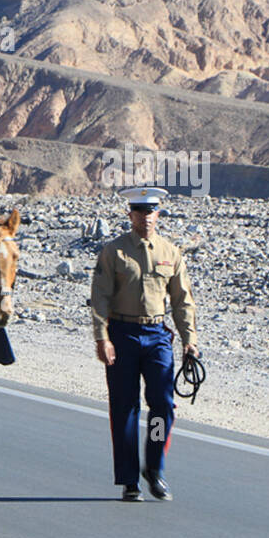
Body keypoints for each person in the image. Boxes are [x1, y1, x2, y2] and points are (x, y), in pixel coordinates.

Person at [90, 186, 198, 502]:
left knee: (162, 405)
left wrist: (189, 341)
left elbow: (182, 301)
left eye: (151, 211)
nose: (146, 217)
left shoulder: (170, 252)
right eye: (139, 211)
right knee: (124, 408)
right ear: (130, 215)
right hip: (122, 334)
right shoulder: (114, 251)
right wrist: (102, 337)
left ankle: (154, 468)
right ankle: (129, 480)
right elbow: (100, 297)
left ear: (158, 214)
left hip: (157, 337)